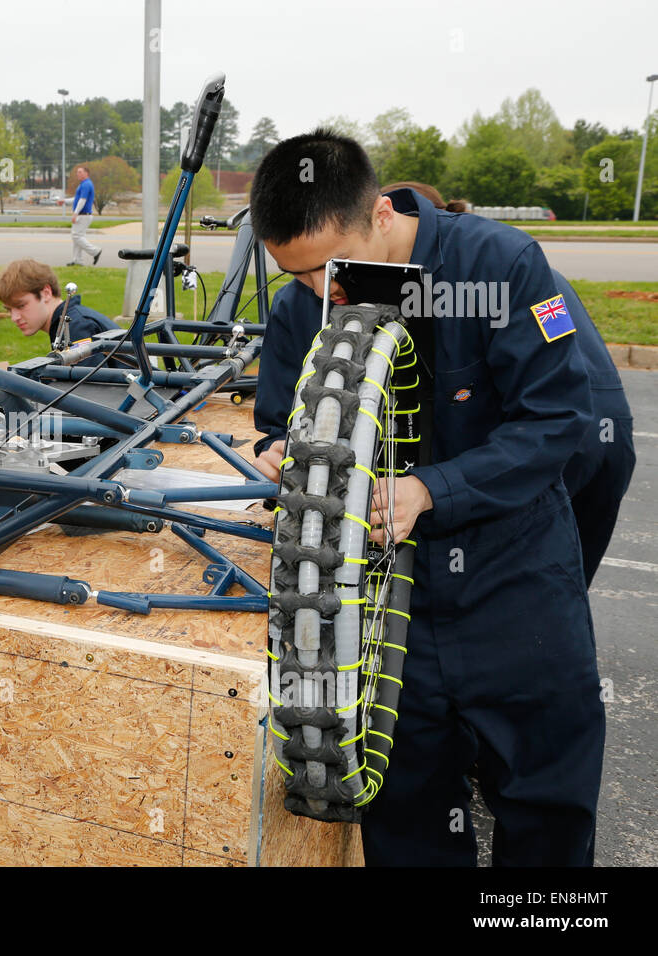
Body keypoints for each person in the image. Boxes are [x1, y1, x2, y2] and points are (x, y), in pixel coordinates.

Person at [250, 130, 605, 867]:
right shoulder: (298, 310)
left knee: (544, 802)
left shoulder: (499, 265)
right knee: (406, 812)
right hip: (384, 604)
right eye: (297, 275)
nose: (322, 293)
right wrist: (280, 454)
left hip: (514, 581)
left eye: (329, 268)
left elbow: (558, 419)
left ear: (380, 213)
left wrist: (430, 489)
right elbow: (271, 424)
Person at [383, 182, 635, 586]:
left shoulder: (483, 276)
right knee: (570, 573)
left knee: (526, 564)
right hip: (611, 423)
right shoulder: (519, 268)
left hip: (568, 430)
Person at [0, 258, 122, 364]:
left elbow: (90, 388)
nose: (14, 317)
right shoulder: (68, 321)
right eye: (9, 309)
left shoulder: (74, 326)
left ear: (46, 293)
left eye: (21, 305)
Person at [68, 165, 101, 265]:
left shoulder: (86, 184)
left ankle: (95, 251)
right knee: (77, 237)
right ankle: (77, 260)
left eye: (80, 172)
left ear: (86, 173)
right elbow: (76, 199)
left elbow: (83, 200)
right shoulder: (83, 184)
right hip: (82, 215)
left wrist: (75, 213)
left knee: (76, 236)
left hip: (83, 215)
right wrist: (64, 201)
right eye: (77, 172)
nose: (78, 174)